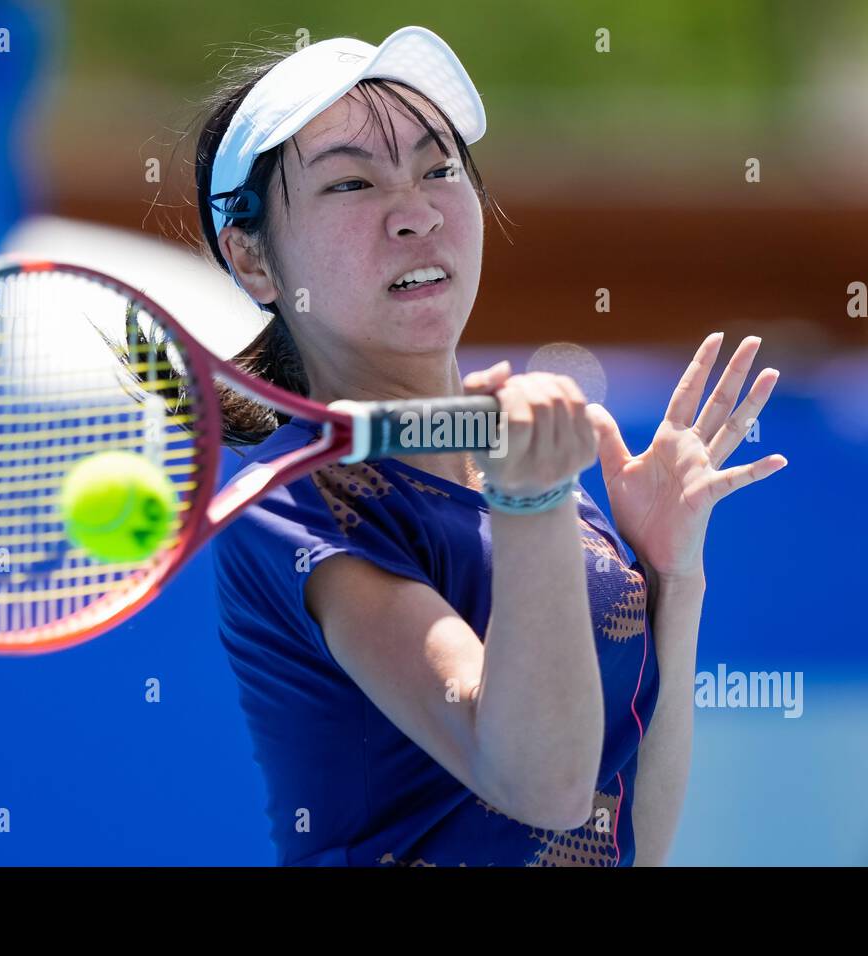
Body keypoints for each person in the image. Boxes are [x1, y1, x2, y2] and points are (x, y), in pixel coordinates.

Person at [197, 26, 786, 865]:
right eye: (352, 182)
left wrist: (668, 578)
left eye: (439, 168)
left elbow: (627, 843)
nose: (416, 211)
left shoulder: (529, 482)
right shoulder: (290, 508)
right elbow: (538, 785)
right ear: (254, 259)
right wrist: (532, 505)